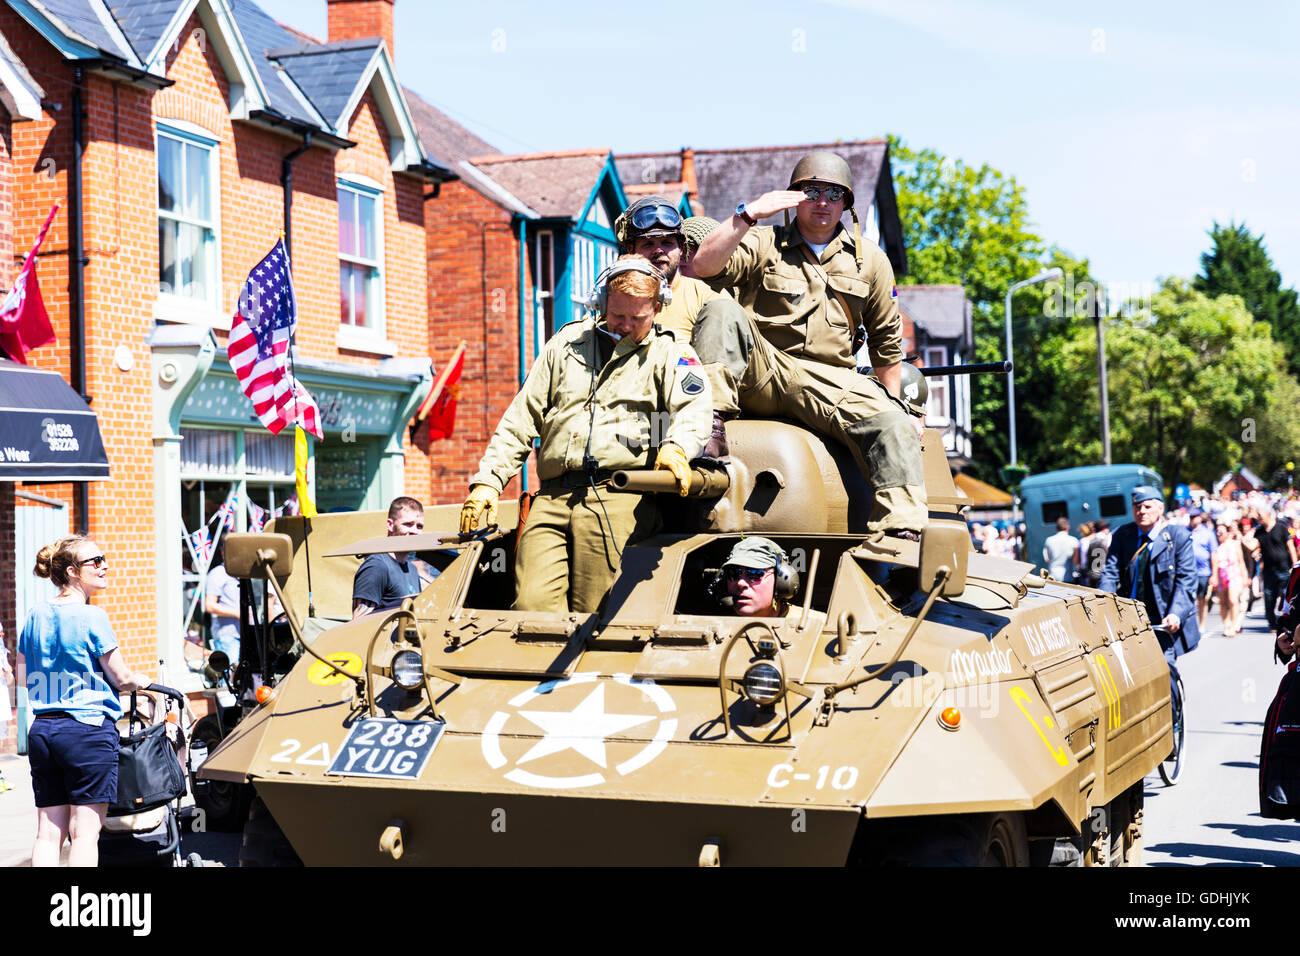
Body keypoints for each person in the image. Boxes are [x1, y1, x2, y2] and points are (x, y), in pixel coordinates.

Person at [690, 151, 926, 537]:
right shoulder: (764, 242)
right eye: (811, 191)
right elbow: (703, 266)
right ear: (794, 196)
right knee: (720, 311)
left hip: (830, 380)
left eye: (833, 194)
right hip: (764, 368)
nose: (822, 202)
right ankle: (709, 428)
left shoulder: (871, 261)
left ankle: (900, 537)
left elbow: (886, 343)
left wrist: (895, 404)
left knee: (893, 422)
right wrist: (748, 214)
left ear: (846, 203)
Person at [460, 255, 712, 613]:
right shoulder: (564, 345)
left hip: (619, 497)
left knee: (598, 610)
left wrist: (676, 448)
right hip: (552, 498)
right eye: (617, 315)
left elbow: (694, 410)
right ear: (600, 303)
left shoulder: (672, 354)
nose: (624, 326)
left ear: (658, 307)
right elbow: (521, 417)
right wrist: (488, 481)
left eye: (636, 318)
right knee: (531, 606)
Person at [19, 535, 152, 866]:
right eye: (96, 561)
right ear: (72, 572)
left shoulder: (35, 614)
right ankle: (77, 909)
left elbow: (22, 677)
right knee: (84, 833)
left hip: (44, 730)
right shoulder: (93, 617)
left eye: (103, 558)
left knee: (48, 834)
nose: (104, 565)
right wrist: (145, 683)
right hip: (87, 731)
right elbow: (121, 678)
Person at [612, 197, 737, 458]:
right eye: (648, 243)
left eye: (667, 242)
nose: (659, 251)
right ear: (629, 249)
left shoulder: (709, 300)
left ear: (682, 249)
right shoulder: (613, 303)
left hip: (690, 412)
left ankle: (713, 429)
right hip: (634, 419)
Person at [1100, 486, 1200, 662]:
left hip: (1162, 621)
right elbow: (1110, 573)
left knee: (1165, 671)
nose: (1141, 512)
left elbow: (1187, 579)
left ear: (1160, 509)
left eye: (1147, 507)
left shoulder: (1178, 536)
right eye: (1137, 507)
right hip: (1129, 622)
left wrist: (1175, 614)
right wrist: (1101, 606)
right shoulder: (1122, 535)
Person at [716, 537, 826, 631]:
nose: (740, 583)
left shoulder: (820, 626)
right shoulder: (714, 624)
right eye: (733, 573)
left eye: (754, 573)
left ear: (781, 581)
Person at [352, 496, 437, 618]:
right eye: (408, 524)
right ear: (390, 525)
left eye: (419, 526)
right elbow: (358, 622)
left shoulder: (411, 569)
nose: (414, 531)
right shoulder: (377, 566)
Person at [1257, 503, 1298, 631]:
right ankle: (1272, 624)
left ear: (1267, 514)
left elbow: (1291, 549)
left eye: (1260, 515)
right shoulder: (1259, 531)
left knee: (1287, 596)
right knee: (1269, 598)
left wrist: (1295, 566)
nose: (1258, 517)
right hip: (1269, 570)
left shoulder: (1281, 528)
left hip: (1284, 569)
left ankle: (1289, 622)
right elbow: (1254, 546)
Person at [203, 543, 242, 661]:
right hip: (227, 636)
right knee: (228, 674)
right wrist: (237, 613)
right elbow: (209, 605)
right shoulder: (217, 573)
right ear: (222, 552)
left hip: (243, 634)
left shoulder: (241, 574)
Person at [1210, 522, 1247, 637]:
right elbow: (1214, 563)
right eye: (1217, 531)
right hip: (1221, 575)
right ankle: (1226, 625)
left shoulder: (1235, 544)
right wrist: (1214, 576)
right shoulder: (1216, 546)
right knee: (1223, 602)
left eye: (1221, 531)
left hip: (1233, 575)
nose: (1219, 533)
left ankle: (1234, 625)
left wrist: (1245, 576)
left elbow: (1241, 561)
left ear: (1227, 532)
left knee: (1232, 600)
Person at [1188, 509, 1218, 630]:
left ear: (1200, 518)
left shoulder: (1208, 533)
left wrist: (1214, 574)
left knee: (1202, 599)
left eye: (1195, 516)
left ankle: (1202, 624)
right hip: (1188, 572)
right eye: (1191, 517)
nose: (1192, 519)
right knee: (1188, 599)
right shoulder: (1184, 532)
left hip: (1204, 572)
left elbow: (1213, 554)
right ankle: (1190, 625)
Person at [1042, 517, 1080, 583]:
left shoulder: (1048, 540)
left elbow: (1047, 560)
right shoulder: (1074, 541)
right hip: (1068, 577)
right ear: (1068, 527)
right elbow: (1075, 561)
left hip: (1053, 576)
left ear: (1056, 528)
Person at [1079, 520, 1111, 588]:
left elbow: (1086, 560)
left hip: (1093, 575)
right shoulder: (1108, 539)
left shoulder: (1090, 542)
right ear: (1104, 529)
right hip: (1105, 575)